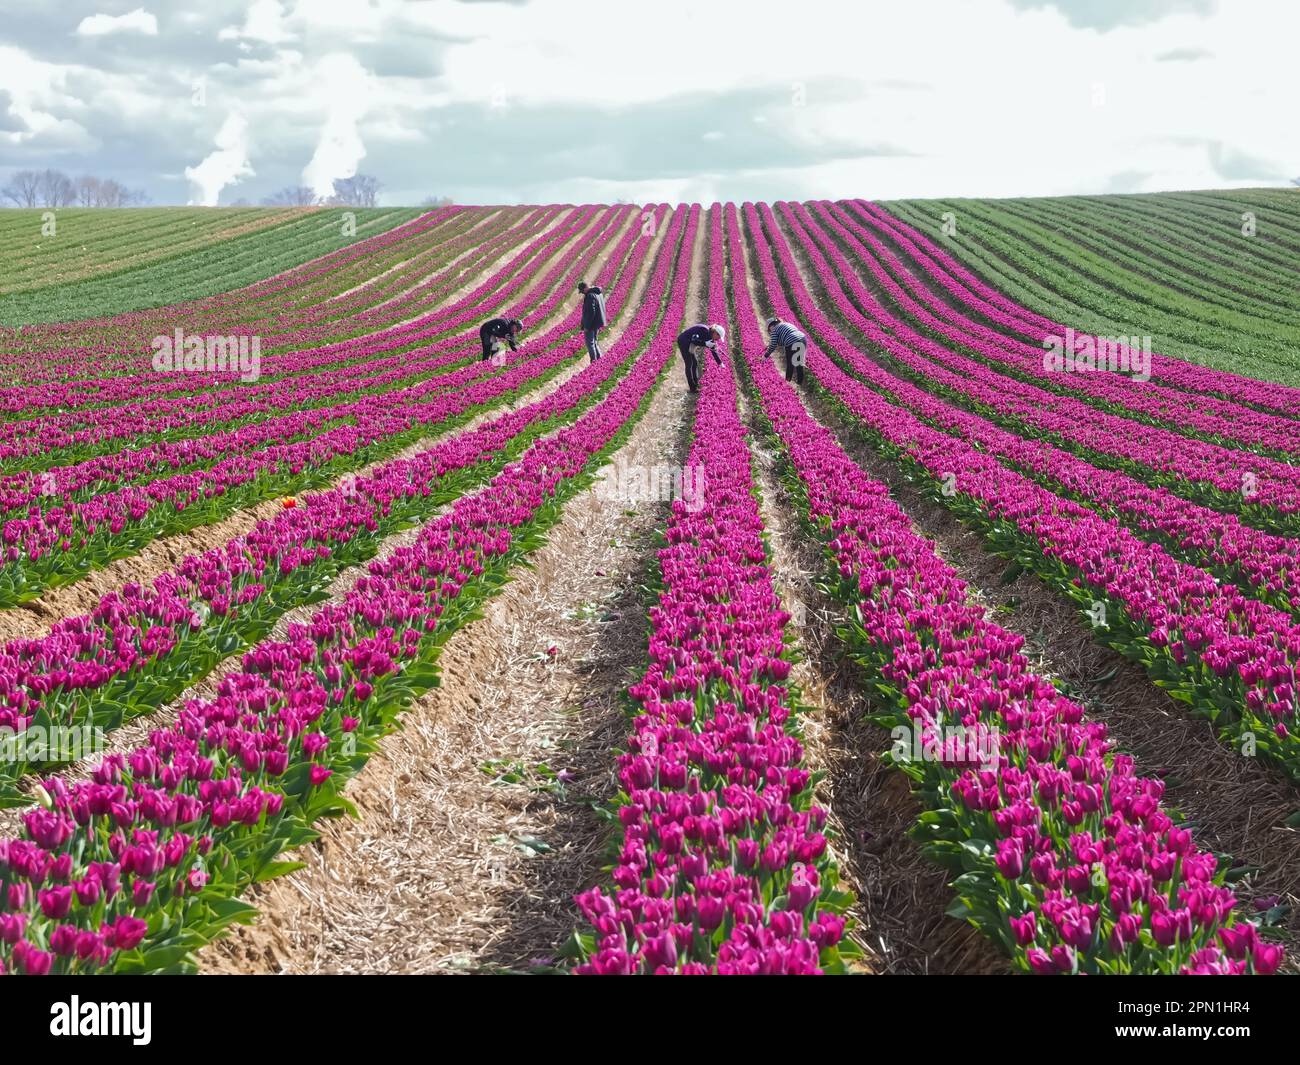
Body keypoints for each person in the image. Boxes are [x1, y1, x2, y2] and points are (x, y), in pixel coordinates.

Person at [676, 323, 725, 392]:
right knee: (689, 363)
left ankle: (696, 383)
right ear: (716, 333)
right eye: (719, 337)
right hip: (684, 341)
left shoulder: (711, 337)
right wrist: (705, 343)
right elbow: (694, 339)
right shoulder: (703, 330)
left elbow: (714, 351)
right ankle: (692, 388)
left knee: (695, 362)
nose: (718, 339)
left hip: (691, 343)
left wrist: (720, 363)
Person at [763, 316, 808, 384]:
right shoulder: (785, 324)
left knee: (790, 363)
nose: (770, 331)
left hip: (791, 341)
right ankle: (799, 382)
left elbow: (773, 345)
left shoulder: (774, 330)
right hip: (802, 338)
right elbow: (782, 339)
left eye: (769, 329)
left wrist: (766, 355)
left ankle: (787, 381)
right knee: (799, 363)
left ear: (771, 326)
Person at [577, 281, 608, 362]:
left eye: (582, 291)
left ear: (585, 288)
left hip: (591, 324)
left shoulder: (590, 295)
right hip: (597, 322)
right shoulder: (598, 293)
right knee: (595, 342)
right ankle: (599, 361)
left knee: (590, 343)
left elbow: (591, 312)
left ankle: (593, 362)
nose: (583, 293)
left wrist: (587, 326)